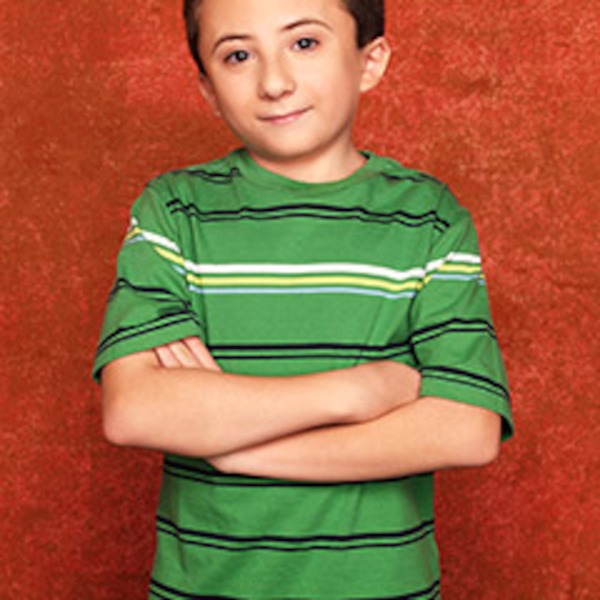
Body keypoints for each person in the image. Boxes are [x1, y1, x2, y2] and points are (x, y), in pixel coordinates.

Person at [93, 0, 514, 597]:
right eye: (238, 55)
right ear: (208, 89)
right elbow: (135, 410)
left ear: (370, 61)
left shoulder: (428, 217)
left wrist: (238, 450)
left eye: (305, 43)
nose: (274, 81)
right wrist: (355, 391)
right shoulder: (174, 210)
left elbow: (465, 429)